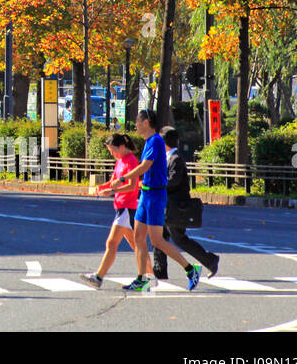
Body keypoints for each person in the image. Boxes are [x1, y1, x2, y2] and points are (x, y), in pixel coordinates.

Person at [114, 109, 201, 292]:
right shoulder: (148, 142)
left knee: (157, 240)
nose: (135, 124)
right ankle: (141, 278)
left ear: (146, 122)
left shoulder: (156, 141)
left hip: (155, 196)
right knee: (138, 237)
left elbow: (145, 167)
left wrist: (122, 179)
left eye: (137, 120)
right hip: (145, 195)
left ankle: (190, 269)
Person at [152, 127, 220, 280]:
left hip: (175, 207)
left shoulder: (175, 159)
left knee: (178, 239)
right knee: (159, 238)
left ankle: (209, 259)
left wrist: (156, 183)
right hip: (166, 206)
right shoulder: (167, 158)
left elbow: (174, 180)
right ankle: (159, 270)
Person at [79, 133, 141, 288]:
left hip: (127, 206)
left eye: (113, 150)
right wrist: (101, 188)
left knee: (112, 242)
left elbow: (133, 185)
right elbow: (113, 182)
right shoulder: (120, 161)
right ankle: (149, 276)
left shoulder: (131, 161)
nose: (112, 154)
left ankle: (98, 277)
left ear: (121, 146)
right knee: (137, 245)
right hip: (121, 207)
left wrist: (113, 192)